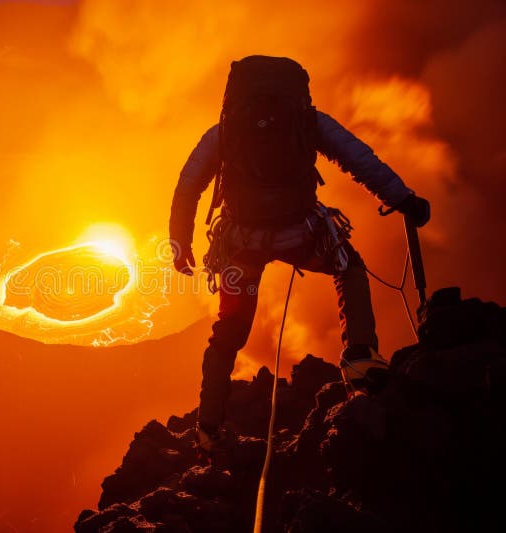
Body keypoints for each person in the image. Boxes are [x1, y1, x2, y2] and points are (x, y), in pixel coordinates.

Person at [168, 56, 430, 452]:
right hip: (301, 233)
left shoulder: (224, 131)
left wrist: (180, 242)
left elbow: (189, 185)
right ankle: (360, 357)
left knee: (230, 330)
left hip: (242, 241)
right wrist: (403, 199)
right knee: (349, 268)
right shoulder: (308, 122)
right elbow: (359, 159)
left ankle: (208, 427)